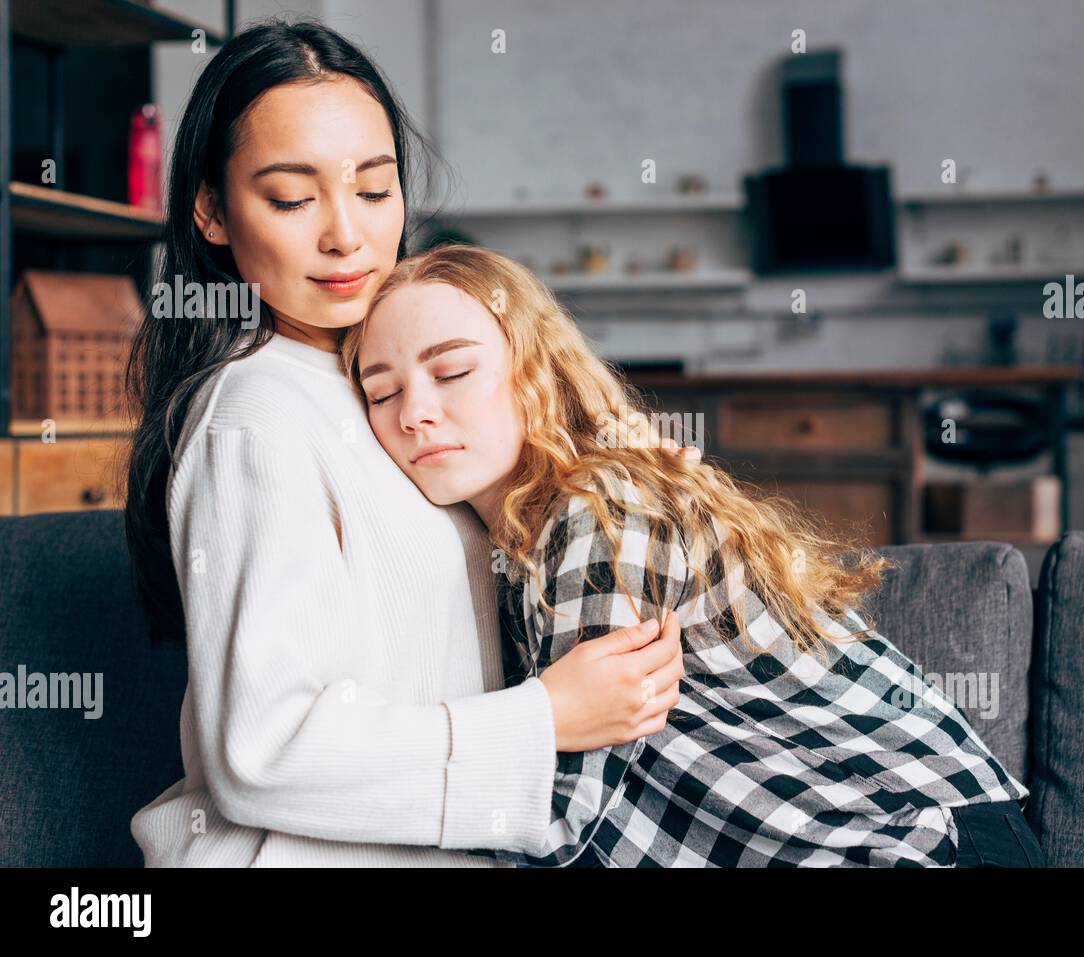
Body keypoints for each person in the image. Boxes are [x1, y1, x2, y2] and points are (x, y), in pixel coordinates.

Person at [123, 18, 687, 867]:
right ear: (211, 210)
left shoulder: (379, 382)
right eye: (290, 198)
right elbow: (261, 752)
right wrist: (546, 719)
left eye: (375, 189)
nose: (345, 234)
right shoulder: (256, 414)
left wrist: (623, 482)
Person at [342, 243, 1045, 867]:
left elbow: (559, 819)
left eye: (454, 371)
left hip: (926, 842)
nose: (414, 412)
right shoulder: (518, 550)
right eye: (381, 391)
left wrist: (331, 784)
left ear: (536, 375)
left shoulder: (595, 512)